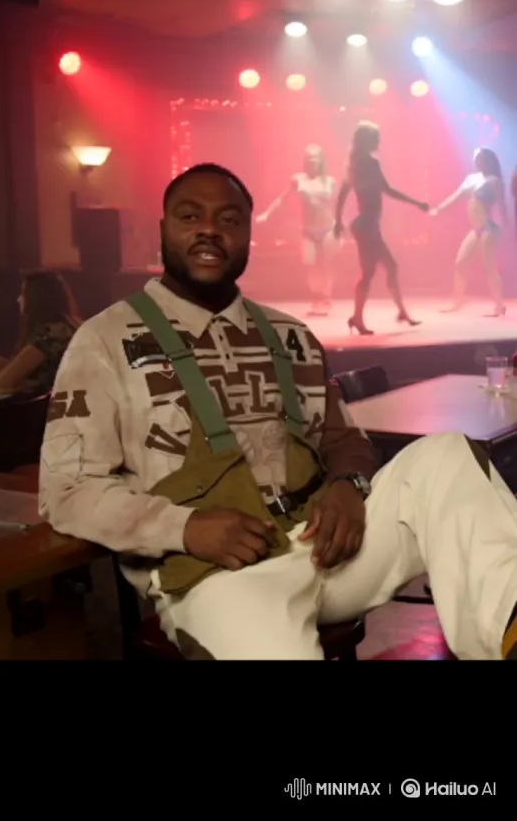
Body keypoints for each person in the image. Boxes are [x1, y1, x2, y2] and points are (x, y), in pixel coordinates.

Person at [39, 162, 517, 661]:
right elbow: (67, 489)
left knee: (446, 454)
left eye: (228, 219)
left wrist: (349, 486)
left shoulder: (292, 336)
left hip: (329, 550)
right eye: (189, 216)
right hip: (220, 576)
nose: (208, 229)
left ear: (247, 234)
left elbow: (341, 438)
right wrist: (184, 527)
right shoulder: (103, 340)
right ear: (164, 230)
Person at [334, 121, 429, 335]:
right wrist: (417, 203)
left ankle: (397, 312)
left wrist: (338, 221)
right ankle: (359, 318)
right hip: (367, 225)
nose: (379, 141)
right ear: (368, 140)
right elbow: (387, 190)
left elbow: (344, 194)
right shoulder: (368, 163)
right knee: (372, 272)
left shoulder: (354, 164)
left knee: (385, 269)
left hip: (366, 224)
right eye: (376, 137)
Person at [256, 144, 338, 315]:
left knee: (325, 264)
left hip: (328, 228)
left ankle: (325, 299)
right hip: (308, 230)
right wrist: (266, 214)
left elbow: (338, 204)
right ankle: (316, 297)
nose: (312, 161)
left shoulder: (329, 181)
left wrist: (342, 224)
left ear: (321, 160)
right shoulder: (298, 179)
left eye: (315, 157)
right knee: (310, 262)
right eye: (309, 158)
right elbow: (281, 199)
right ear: (305, 161)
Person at [430, 148, 507, 316]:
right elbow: (455, 196)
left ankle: (499, 304)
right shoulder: (471, 179)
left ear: (488, 161)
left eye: (480, 159)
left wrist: (506, 228)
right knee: (460, 262)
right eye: (476, 159)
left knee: (489, 267)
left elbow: (502, 207)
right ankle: (457, 301)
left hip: (489, 228)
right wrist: (438, 209)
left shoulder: (495, 181)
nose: (476, 162)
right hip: (476, 229)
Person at [0, 271, 82, 393]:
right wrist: (3, 365)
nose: (18, 299)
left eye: (23, 293)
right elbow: (35, 378)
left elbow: (3, 382)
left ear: (36, 299)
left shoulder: (48, 335)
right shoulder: (69, 327)